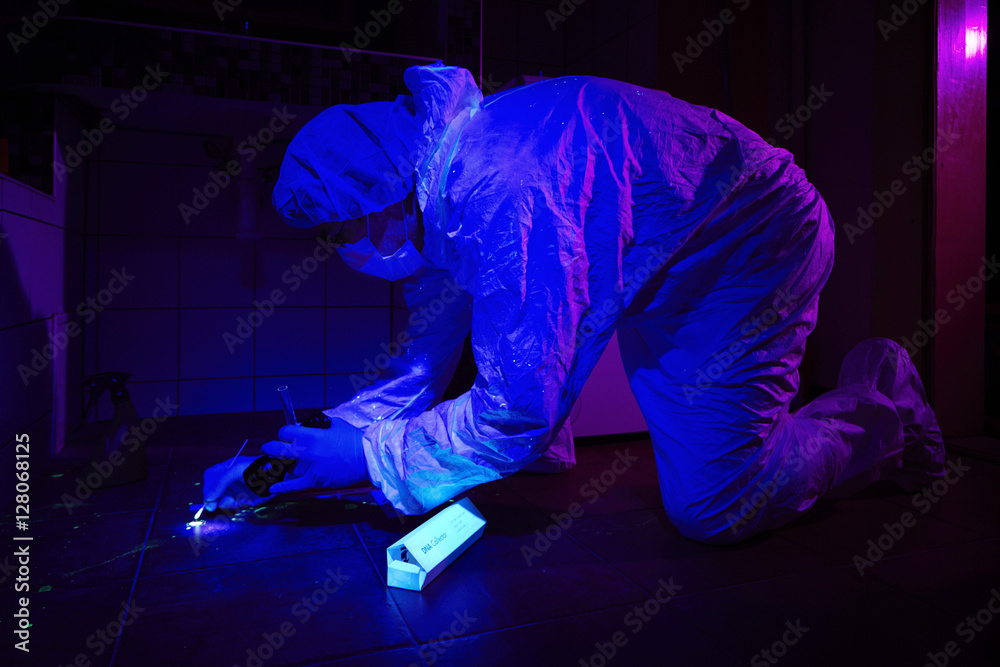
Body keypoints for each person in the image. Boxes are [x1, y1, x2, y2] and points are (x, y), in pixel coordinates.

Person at [201, 63, 946, 544]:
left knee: (717, 503)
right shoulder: (436, 188)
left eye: (337, 231)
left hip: (751, 247)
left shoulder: (500, 191)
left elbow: (517, 409)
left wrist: (363, 459)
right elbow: (424, 359)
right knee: (546, 416)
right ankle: (871, 393)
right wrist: (328, 436)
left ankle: (887, 412)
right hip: (675, 262)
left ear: (380, 197)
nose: (340, 251)